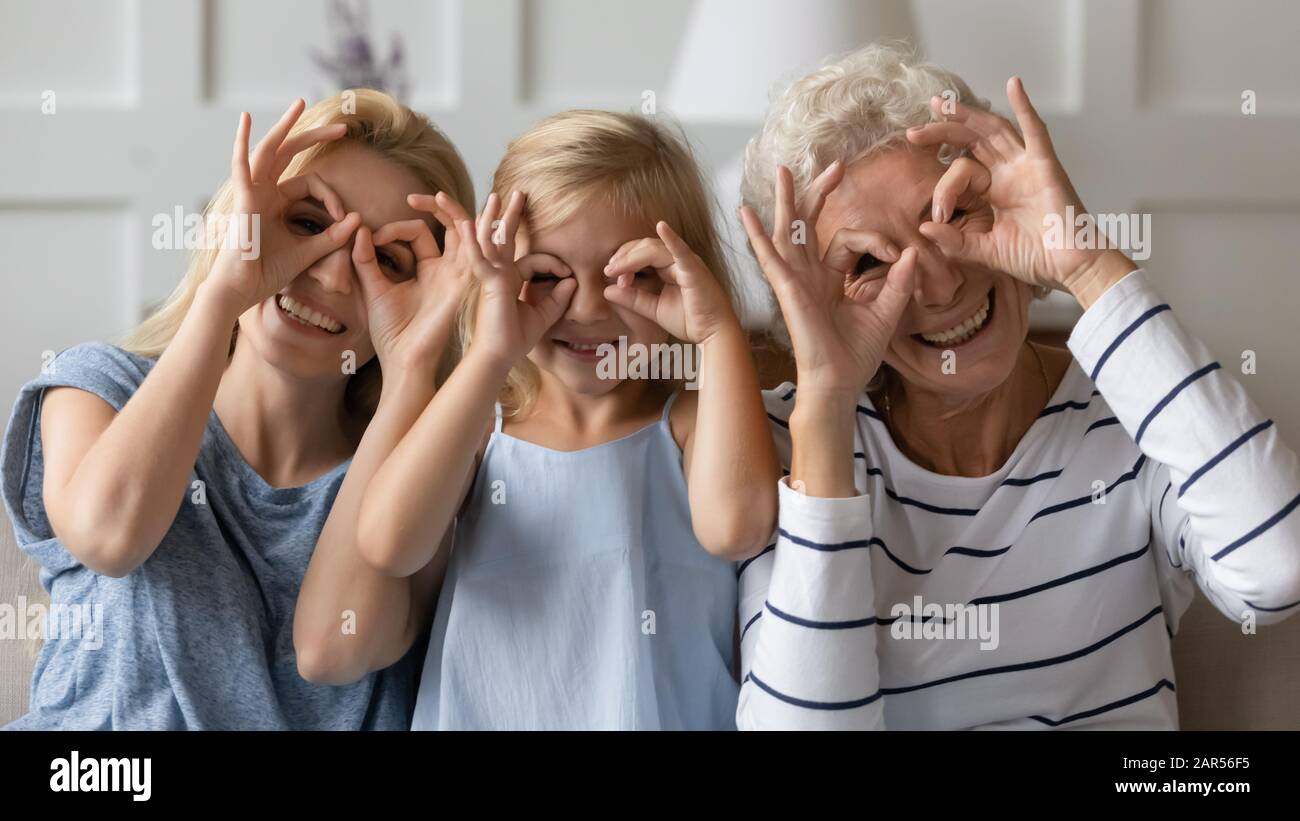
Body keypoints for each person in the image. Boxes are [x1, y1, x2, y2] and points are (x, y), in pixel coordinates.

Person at [734, 43, 1300, 729]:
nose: (940, 286)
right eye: (865, 262)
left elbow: (1279, 570)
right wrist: (823, 403)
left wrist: (1086, 263)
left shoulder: (1135, 410)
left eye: (952, 215)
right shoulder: (777, 448)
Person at [1, 90, 474, 729]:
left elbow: (338, 647)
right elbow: (111, 538)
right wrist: (226, 288)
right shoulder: (97, 387)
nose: (333, 279)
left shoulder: (423, 474)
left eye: (385, 262)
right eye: (308, 224)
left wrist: (414, 366)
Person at [298, 110, 778, 729]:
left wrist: (717, 333)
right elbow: (390, 544)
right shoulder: (481, 427)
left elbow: (736, 530)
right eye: (546, 276)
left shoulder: (691, 420)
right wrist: (492, 349)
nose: (585, 308)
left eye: (631, 277)